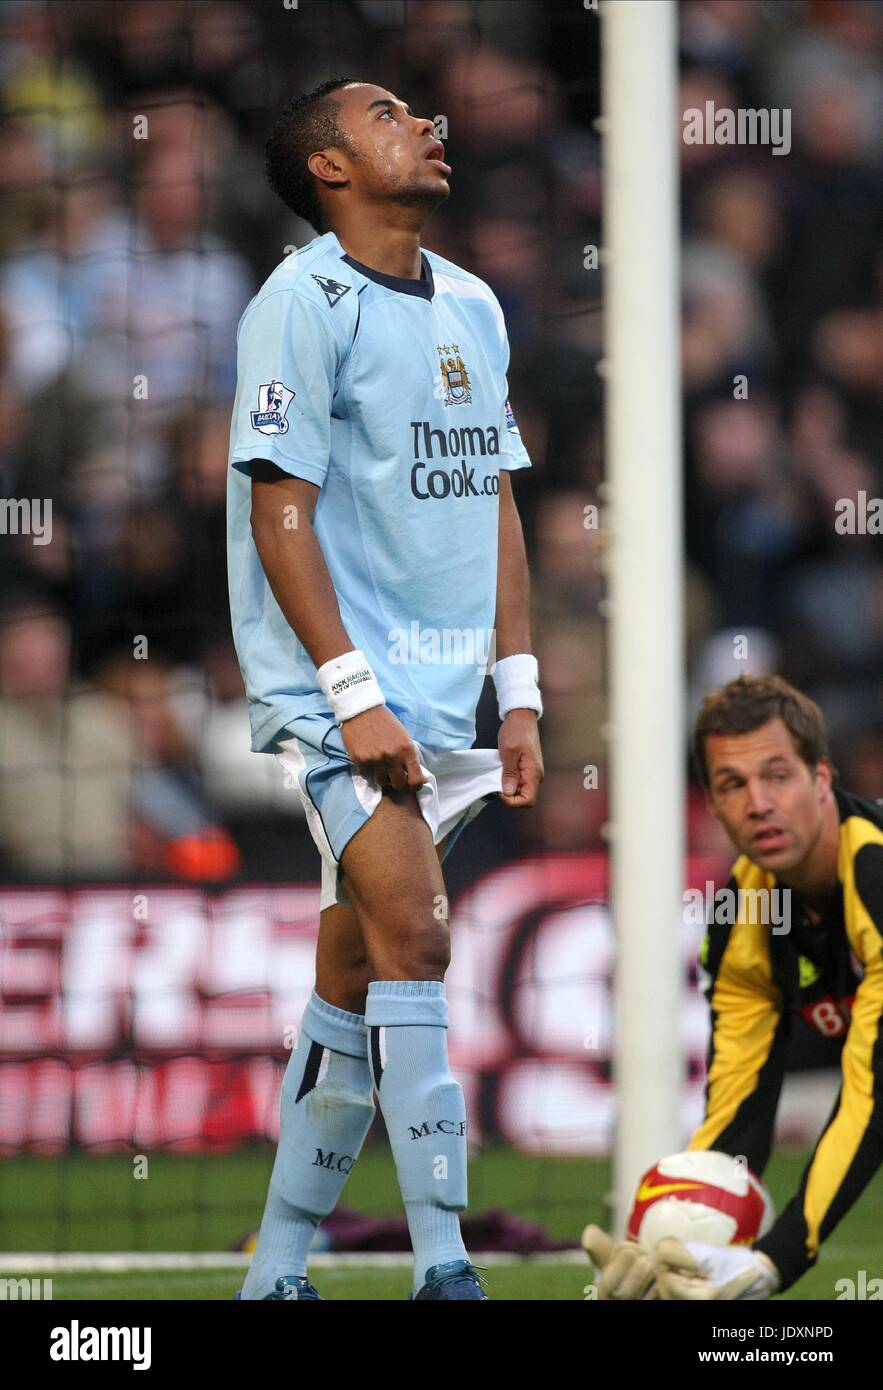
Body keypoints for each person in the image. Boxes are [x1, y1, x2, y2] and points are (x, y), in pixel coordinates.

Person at [226, 78, 543, 1301]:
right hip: (337, 694)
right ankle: (445, 1267)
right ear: (329, 169)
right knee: (418, 933)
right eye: (387, 115)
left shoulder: (472, 300)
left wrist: (514, 693)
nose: (428, 125)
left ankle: (278, 1276)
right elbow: (277, 508)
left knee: (355, 972)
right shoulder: (298, 304)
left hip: (452, 693)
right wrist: (351, 692)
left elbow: (499, 500)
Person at [585, 674, 883, 1299]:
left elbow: (871, 1095)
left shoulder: (876, 876)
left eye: (778, 775)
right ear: (713, 807)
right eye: (732, 784)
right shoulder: (739, 915)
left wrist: (776, 1258)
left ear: (822, 779)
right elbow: (739, 1102)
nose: (758, 802)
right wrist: (677, 1232)